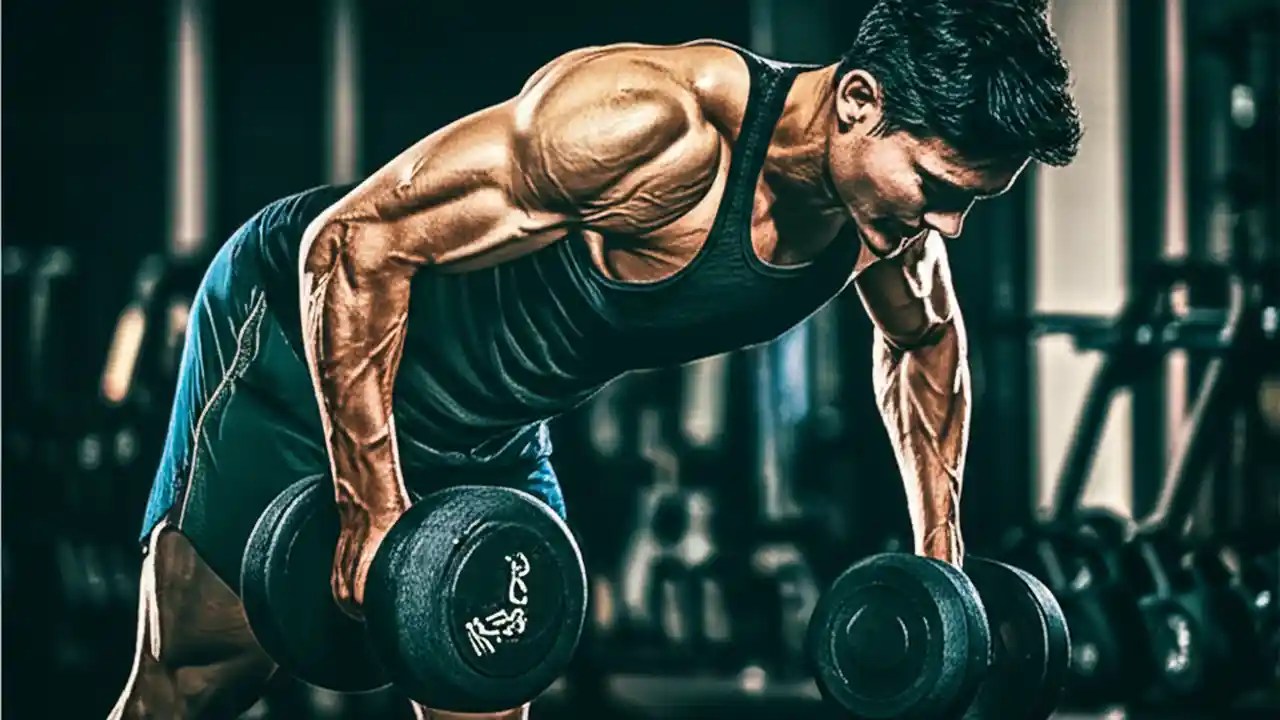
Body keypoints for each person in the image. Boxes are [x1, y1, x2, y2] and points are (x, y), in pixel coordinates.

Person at [110, 0, 1082, 717]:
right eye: (935, 185)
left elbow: (922, 345)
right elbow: (355, 246)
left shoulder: (885, 219)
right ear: (858, 102)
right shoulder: (646, 127)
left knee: (481, 687)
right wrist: (371, 505)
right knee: (200, 678)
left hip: (492, 422)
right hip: (304, 336)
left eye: (968, 203)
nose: (944, 226)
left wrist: (938, 560)